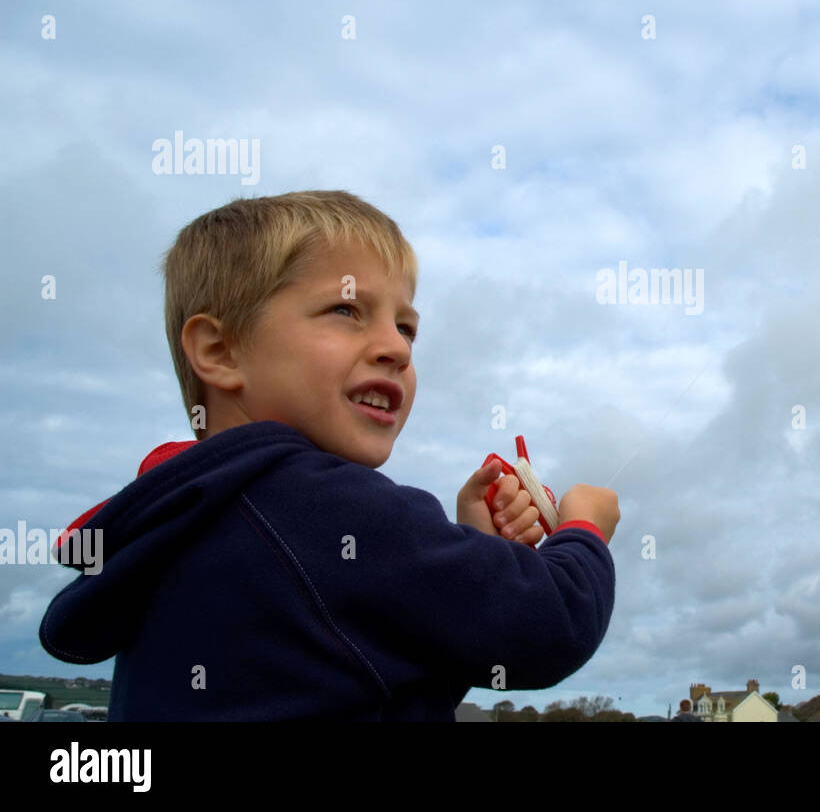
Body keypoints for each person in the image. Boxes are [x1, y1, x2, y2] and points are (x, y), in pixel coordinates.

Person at [39, 190, 619, 720]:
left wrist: (482, 549)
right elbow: (547, 625)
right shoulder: (317, 504)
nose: (395, 347)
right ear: (220, 351)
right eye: (346, 310)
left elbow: (381, 685)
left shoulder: (188, 518)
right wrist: (584, 529)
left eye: (407, 327)